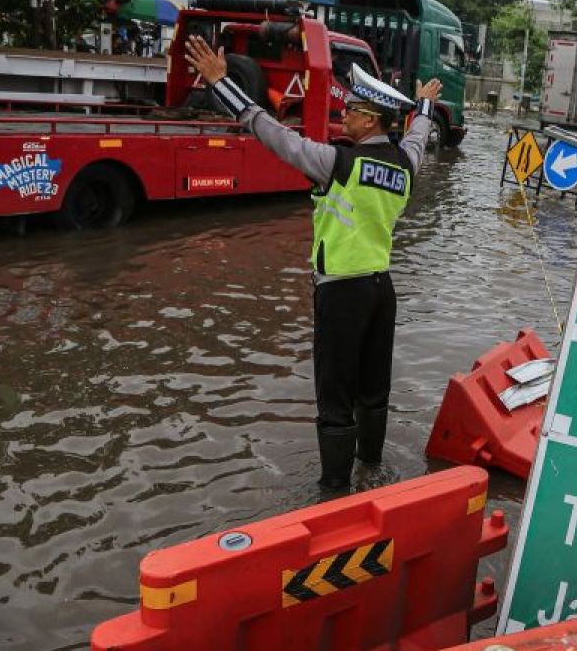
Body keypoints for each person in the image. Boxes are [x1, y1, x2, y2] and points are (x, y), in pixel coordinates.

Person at [184, 34, 443, 492]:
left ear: (370, 120)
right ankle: (371, 469)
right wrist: (423, 105)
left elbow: (274, 135)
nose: (345, 115)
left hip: (341, 291)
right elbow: (420, 134)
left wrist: (222, 85)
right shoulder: (406, 163)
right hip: (381, 291)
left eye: (352, 110)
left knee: (334, 394)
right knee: (373, 388)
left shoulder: (336, 162)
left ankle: (334, 492)